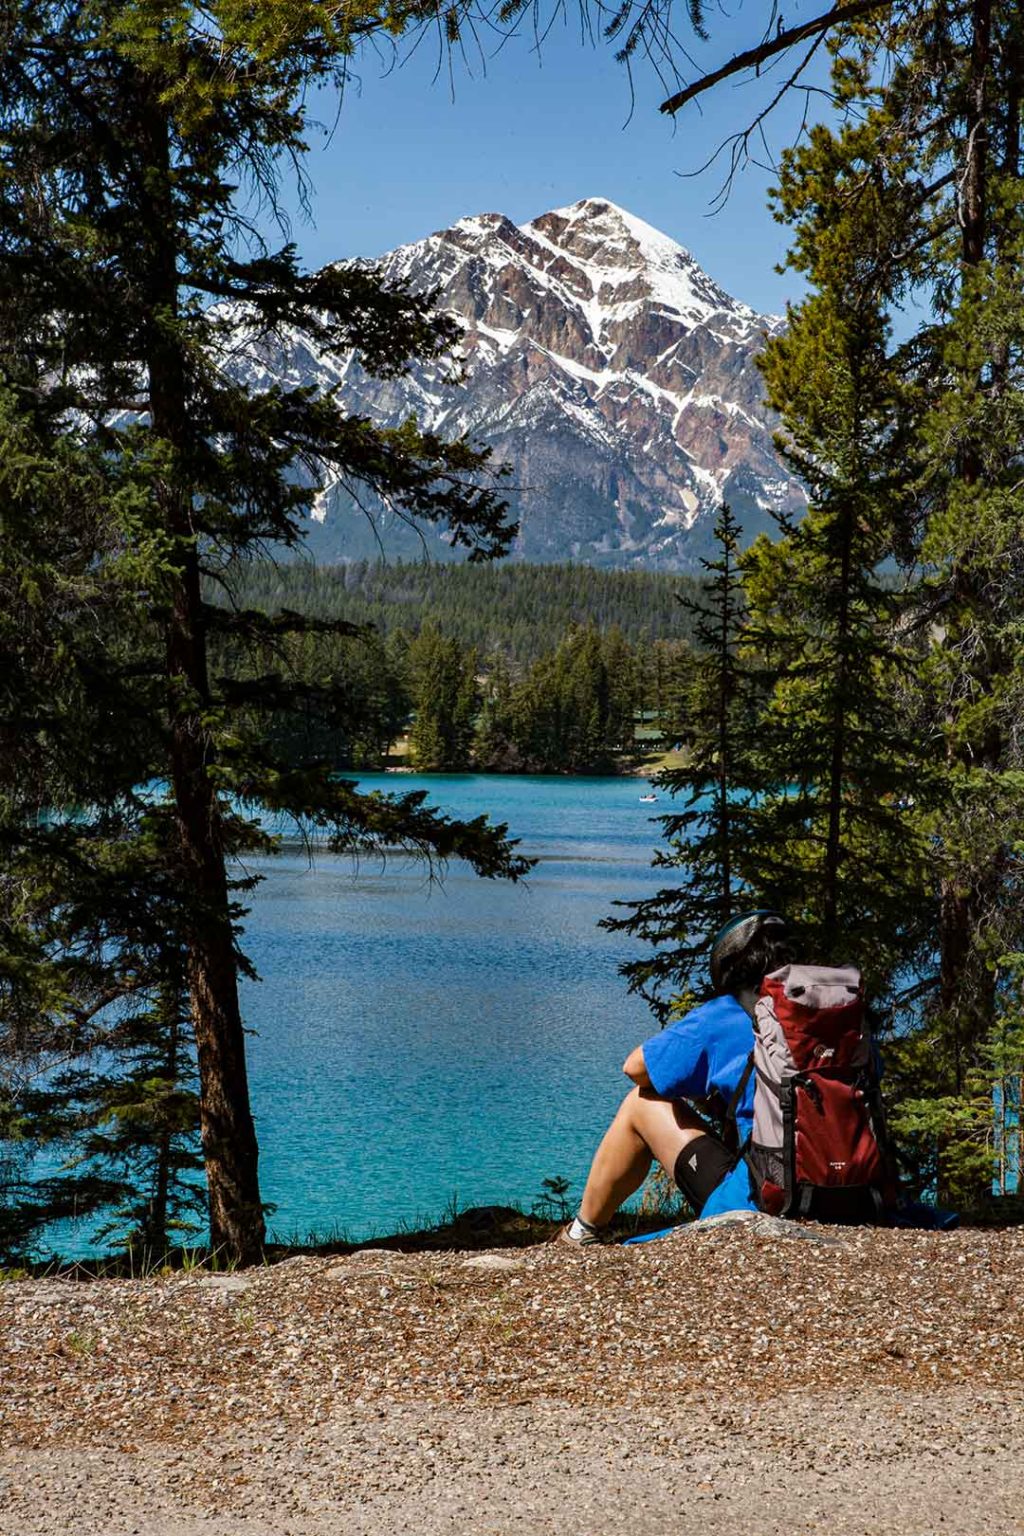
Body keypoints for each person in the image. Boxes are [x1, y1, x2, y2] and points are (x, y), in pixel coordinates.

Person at [562, 910, 794, 1245]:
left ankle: (581, 1233)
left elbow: (635, 1068)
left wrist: (698, 1087)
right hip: (850, 1191)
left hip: (762, 1196)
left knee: (640, 1104)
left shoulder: (728, 1012)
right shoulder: (829, 1019)